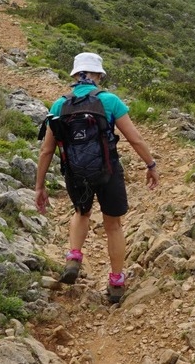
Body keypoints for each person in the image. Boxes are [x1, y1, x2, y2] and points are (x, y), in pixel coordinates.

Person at [35, 52, 159, 303]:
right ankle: (116, 283)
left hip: (75, 172)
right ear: (98, 75)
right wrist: (151, 164)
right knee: (113, 225)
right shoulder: (110, 101)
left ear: (75, 75)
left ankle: (73, 257)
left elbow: (47, 150)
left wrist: (39, 187)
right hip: (108, 171)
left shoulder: (59, 105)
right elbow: (135, 138)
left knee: (82, 213)